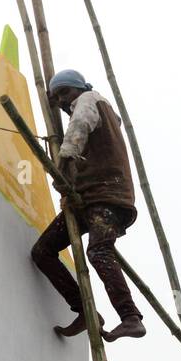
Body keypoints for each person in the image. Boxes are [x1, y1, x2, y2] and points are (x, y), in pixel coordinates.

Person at [31, 69, 146, 342]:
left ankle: (130, 317)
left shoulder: (89, 99)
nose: (62, 100)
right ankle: (85, 310)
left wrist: (64, 161)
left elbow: (78, 128)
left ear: (79, 88)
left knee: (99, 251)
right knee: (42, 250)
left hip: (107, 196)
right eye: (57, 96)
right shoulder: (102, 112)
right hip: (87, 200)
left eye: (65, 92)